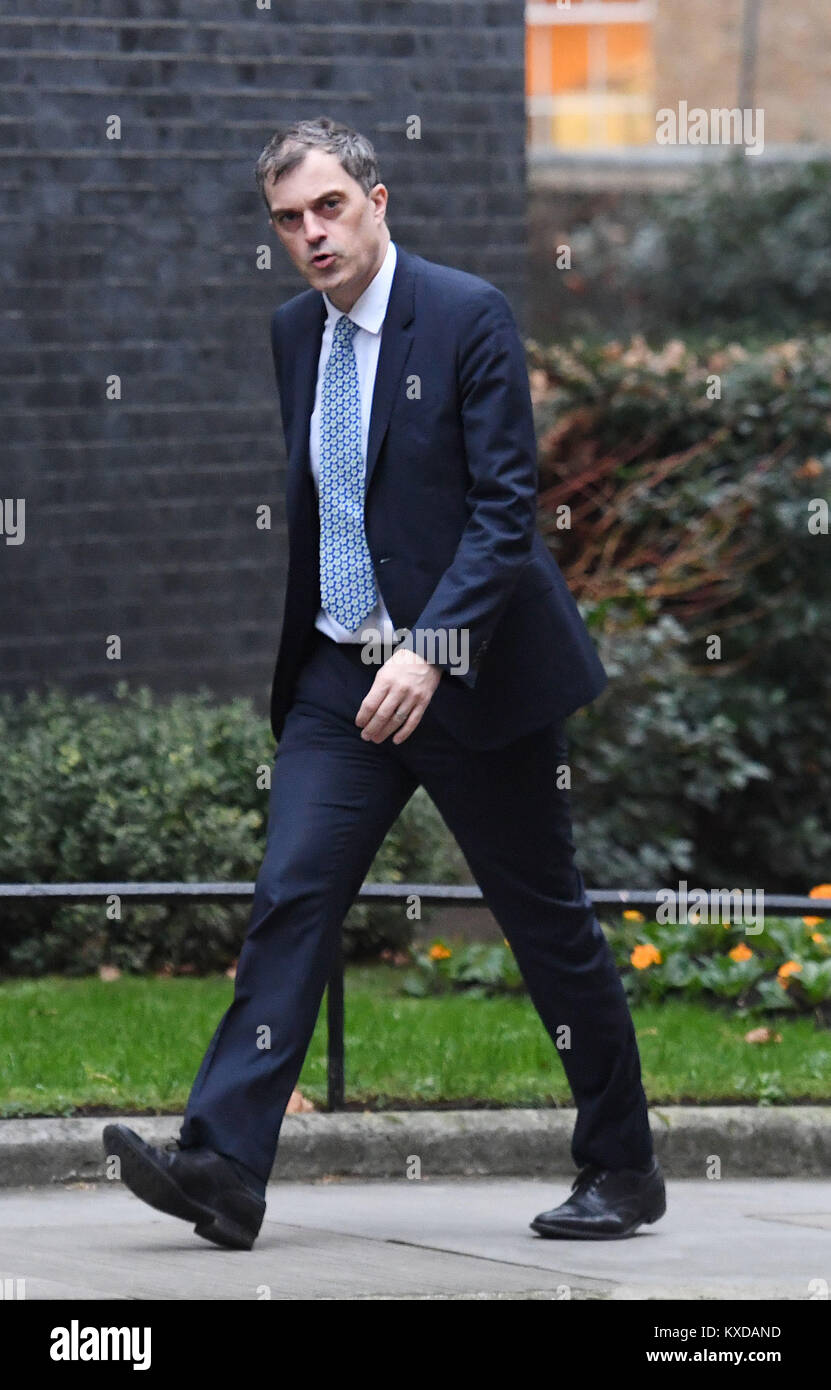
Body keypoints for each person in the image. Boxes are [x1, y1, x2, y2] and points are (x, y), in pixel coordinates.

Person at [103, 116, 665, 1251]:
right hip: (337, 678)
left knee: (546, 924)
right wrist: (359, 644)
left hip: (475, 682)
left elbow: (506, 512)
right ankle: (222, 1166)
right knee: (292, 898)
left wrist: (430, 647)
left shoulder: (465, 316)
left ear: (378, 199)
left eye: (329, 208)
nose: (311, 234)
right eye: (288, 220)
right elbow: (340, 505)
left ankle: (624, 1167)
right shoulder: (290, 335)